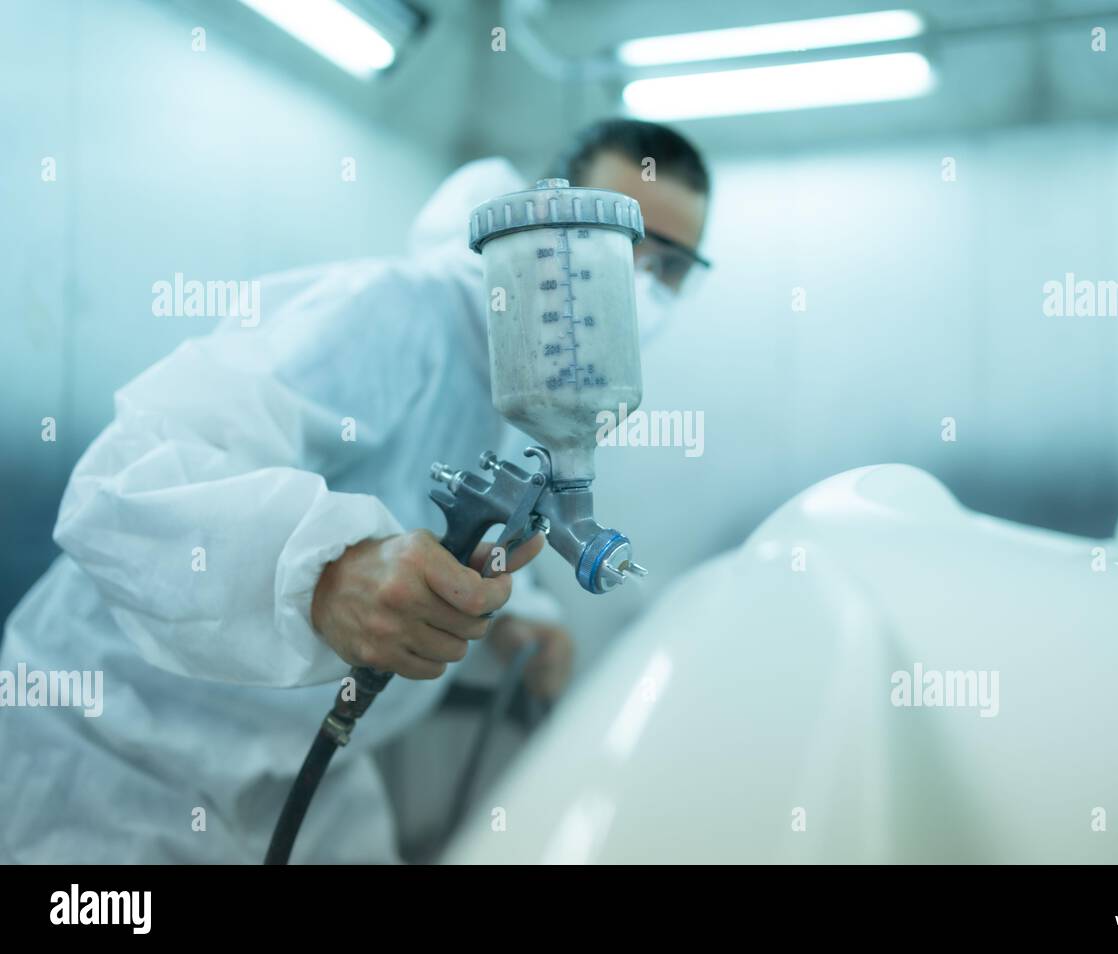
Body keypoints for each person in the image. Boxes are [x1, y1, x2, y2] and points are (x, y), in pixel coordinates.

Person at [0, 119, 711, 863]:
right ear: (543, 218)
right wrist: (324, 572)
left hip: (301, 775)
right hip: (117, 760)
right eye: (614, 241)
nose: (637, 279)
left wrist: (513, 618)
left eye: (672, 265)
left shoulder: (528, 376)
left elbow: (437, 498)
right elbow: (118, 487)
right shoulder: (400, 314)